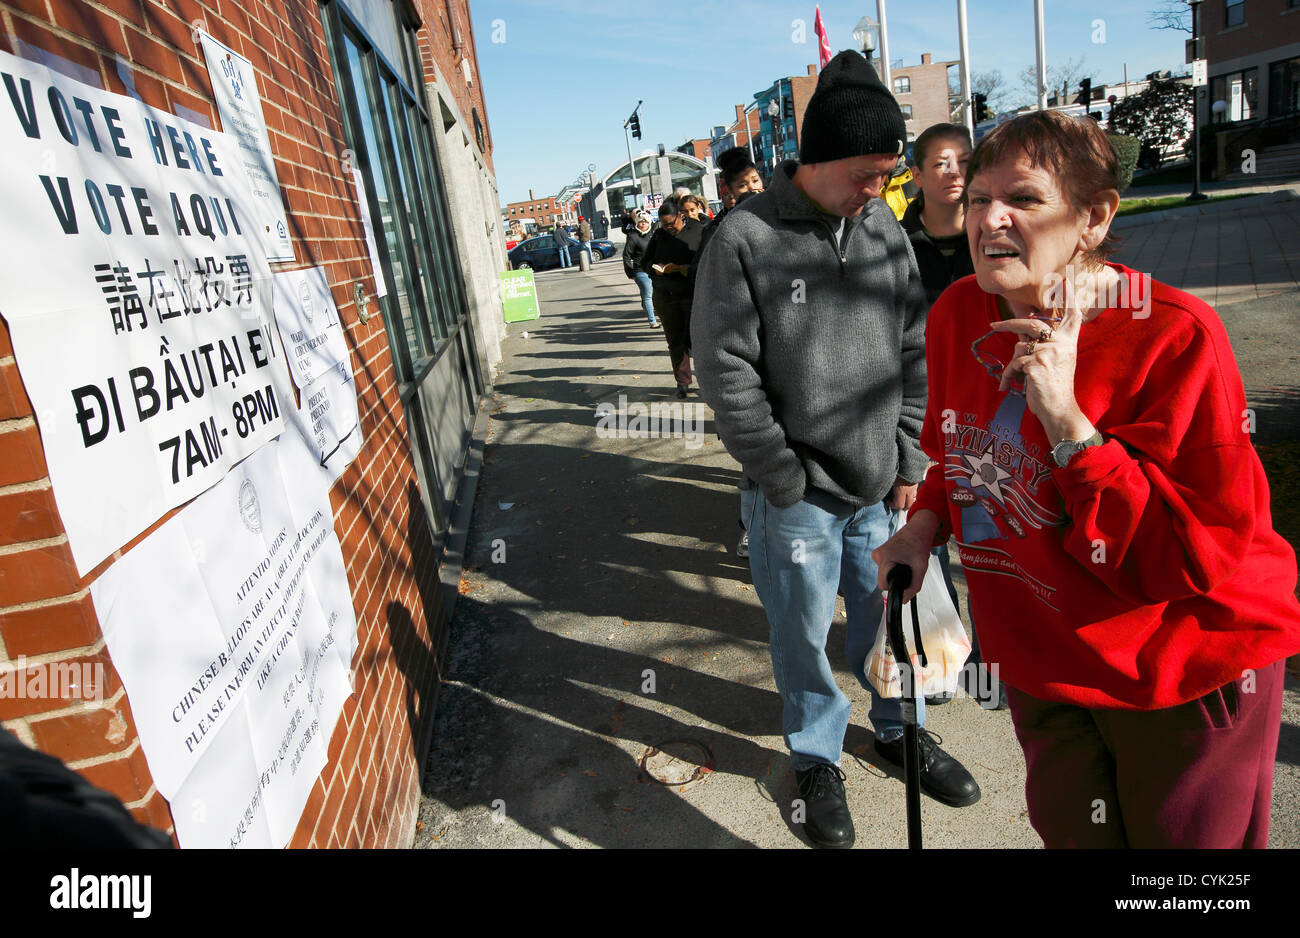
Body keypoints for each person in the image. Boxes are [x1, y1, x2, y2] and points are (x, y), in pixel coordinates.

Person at [873, 109, 1300, 848]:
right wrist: (922, 527)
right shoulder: (957, 313)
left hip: (1179, 667)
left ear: (1094, 217)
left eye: (1023, 199)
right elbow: (960, 454)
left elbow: (1187, 558)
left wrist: (1069, 423)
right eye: (978, 198)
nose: (988, 219)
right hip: (1044, 662)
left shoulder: (1172, 336)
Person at [693, 50, 981, 850]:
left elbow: (914, 345)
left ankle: (897, 730)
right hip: (795, 496)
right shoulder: (745, 237)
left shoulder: (882, 226)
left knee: (889, 621)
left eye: (888, 174)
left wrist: (908, 459)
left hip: (880, 485)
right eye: (868, 173)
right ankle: (817, 758)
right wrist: (780, 475)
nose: (879, 189)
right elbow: (725, 371)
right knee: (802, 635)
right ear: (818, 159)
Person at [896, 122, 994, 707]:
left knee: (992, 539)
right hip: (924, 416)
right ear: (916, 175)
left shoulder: (999, 235)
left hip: (994, 412)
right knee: (926, 537)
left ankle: (991, 655)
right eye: (940, 162)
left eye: (964, 160)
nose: (954, 172)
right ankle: (939, 652)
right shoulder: (897, 245)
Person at [693, 146, 766, 559]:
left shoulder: (778, 221)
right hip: (742, 356)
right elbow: (709, 303)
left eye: (756, 181)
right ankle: (750, 528)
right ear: (727, 192)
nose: (753, 189)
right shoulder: (719, 233)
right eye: (743, 185)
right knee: (755, 456)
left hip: (781, 354)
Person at [642, 198, 704, 398]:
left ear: (680, 215)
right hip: (665, 295)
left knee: (698, 340)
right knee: (675, 341)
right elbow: (645, 262)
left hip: (691, 294)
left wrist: (680, 269)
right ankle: (682, 382)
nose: (668, 228)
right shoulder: (659, 235)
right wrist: (655, 269)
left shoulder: (699, 231)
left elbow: (705, 262)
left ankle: (706, 381)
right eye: (664, 224)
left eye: (671, 223)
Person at [622, 210, 659, 327]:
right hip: (640, 270)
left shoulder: (653, 235)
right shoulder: (633, 236)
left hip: (654, 269)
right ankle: (653, 321)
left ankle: (648, 309)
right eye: (641, 222)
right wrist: (630, 272)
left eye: (645, 222)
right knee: (648, 296)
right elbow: (626, 256)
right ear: (637, 223)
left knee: (650, 295)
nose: (643, 224)